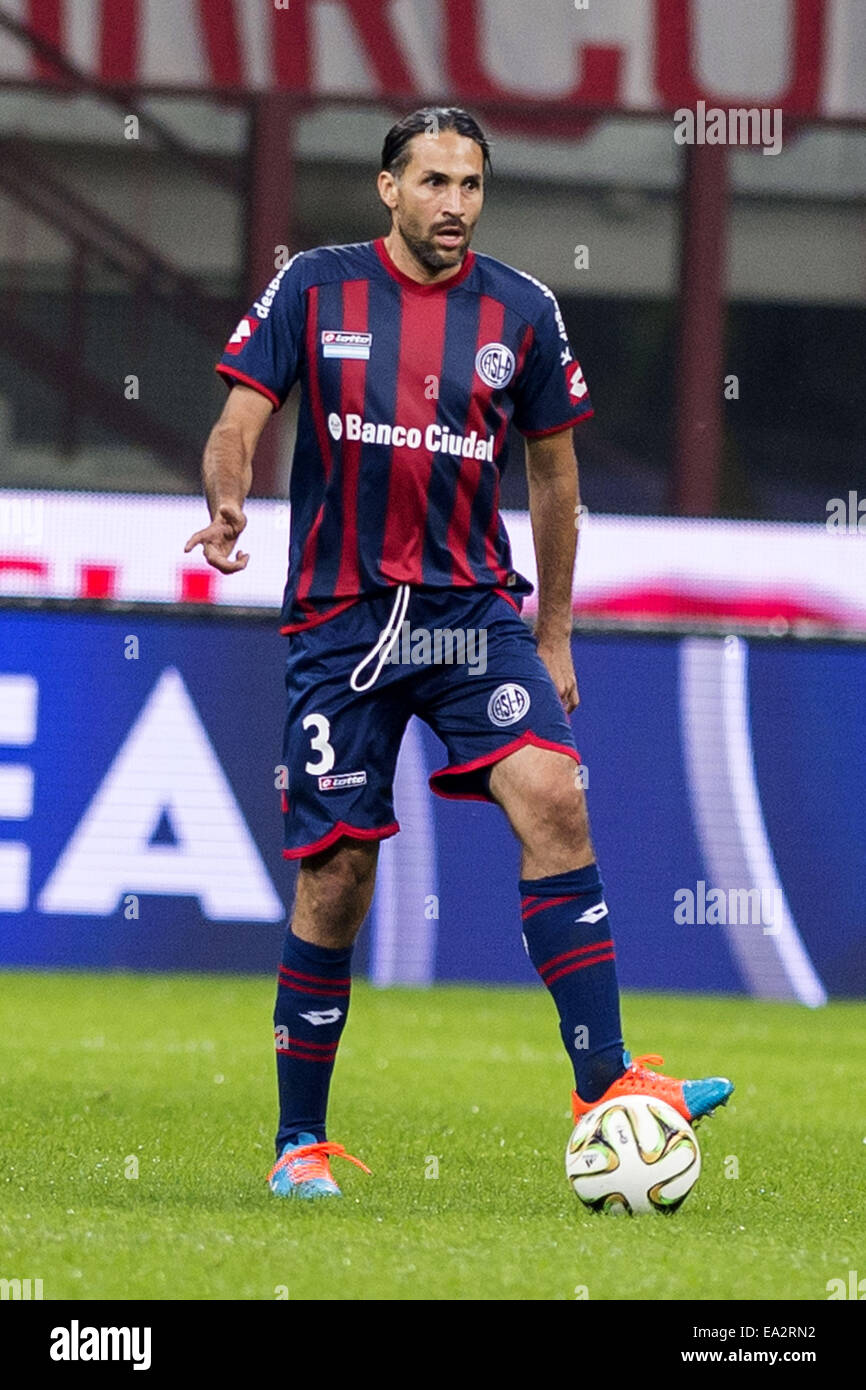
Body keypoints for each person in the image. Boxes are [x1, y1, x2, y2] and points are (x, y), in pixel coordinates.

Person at [185, 107, 733, 1200]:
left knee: (553, 792)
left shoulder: (521, 310)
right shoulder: (312, 289)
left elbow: (553, 478)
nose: (452, 204)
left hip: (466, 615)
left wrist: (556, 626)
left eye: (470, 185)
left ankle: (603, 1084)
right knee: (338, 874)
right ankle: (299, 1143)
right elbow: (242, 417)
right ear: (387, 188)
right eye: (432, 181)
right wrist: (230, 495)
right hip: (340, 622)